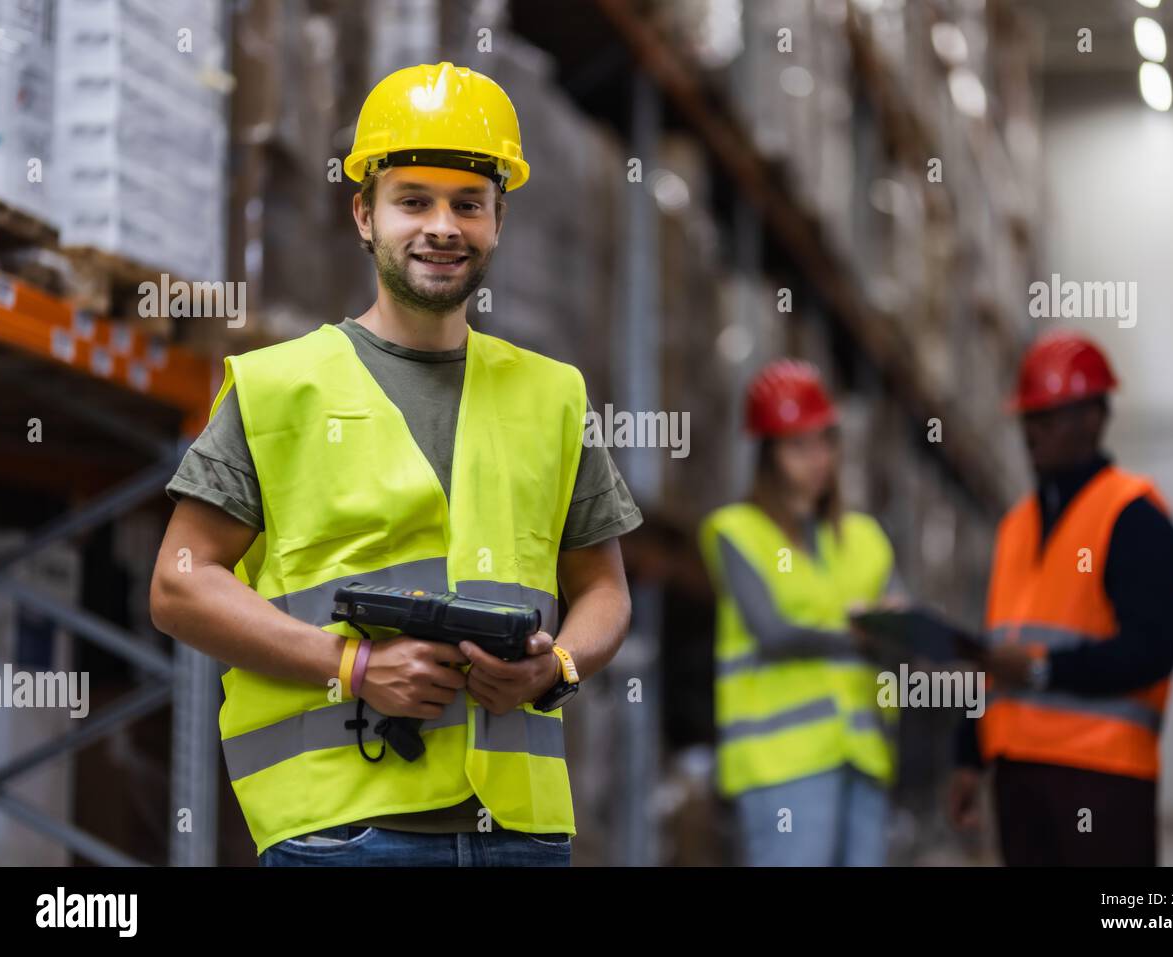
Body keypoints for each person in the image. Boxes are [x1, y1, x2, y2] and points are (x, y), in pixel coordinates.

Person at [149, 62, 642, 867]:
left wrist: (556, 664)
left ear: (498, 221)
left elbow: (603, 589)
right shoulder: (283, 385)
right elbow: (178, 580)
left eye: (467, 204)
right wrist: (353, 664)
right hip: (341, 835)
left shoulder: (554, 394)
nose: (442, 226)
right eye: (413, 200)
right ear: (364, 216)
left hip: (520, 837)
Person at [947, 329, 1173, 866]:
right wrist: (968, 754)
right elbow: (998, 653)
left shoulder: (1135, 517)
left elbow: (1150, 651)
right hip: (1019, 778)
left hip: (1101, 782)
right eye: (1027, 419)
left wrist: (1041, 670)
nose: (1032, 434)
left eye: (1047, 418)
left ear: (1094, 418)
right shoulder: (1015, 527)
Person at [699, 359, 900, 866]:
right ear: (767, 455)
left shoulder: (866, 540)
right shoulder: (736, 532)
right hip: (780, 765)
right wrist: (861, 634)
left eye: (825, 441)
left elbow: (903, 623)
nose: (817, 459)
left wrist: (898, 623)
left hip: (865, 753)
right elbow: (772, 633)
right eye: (797, 445)